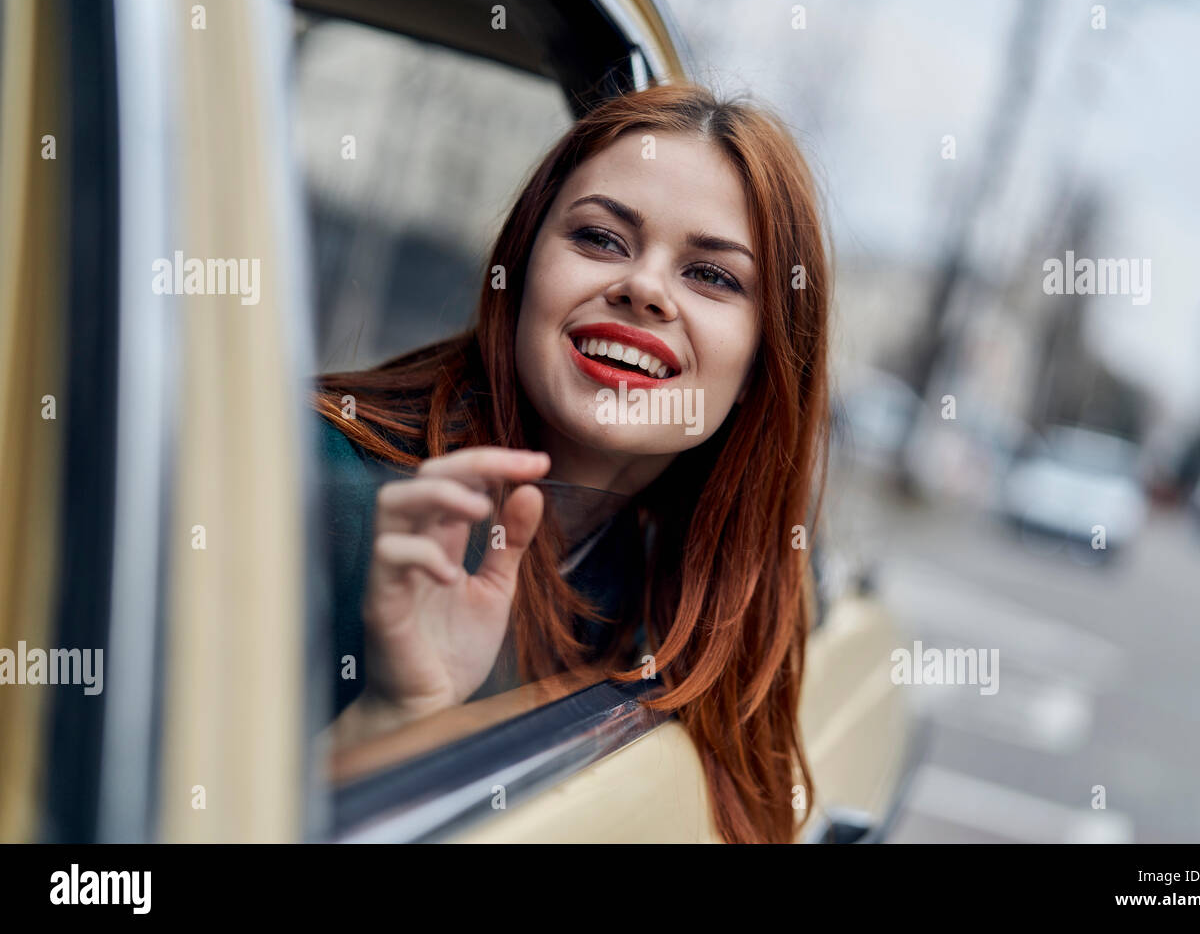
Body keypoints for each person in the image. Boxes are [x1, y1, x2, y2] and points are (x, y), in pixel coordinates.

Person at [313, 84, 831, 844]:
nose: (645, 287)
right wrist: (394, 715)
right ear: (521, 271)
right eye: (600, 239)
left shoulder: (716, 595)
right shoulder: (320, 486)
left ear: (762, 363)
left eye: (713, 276)